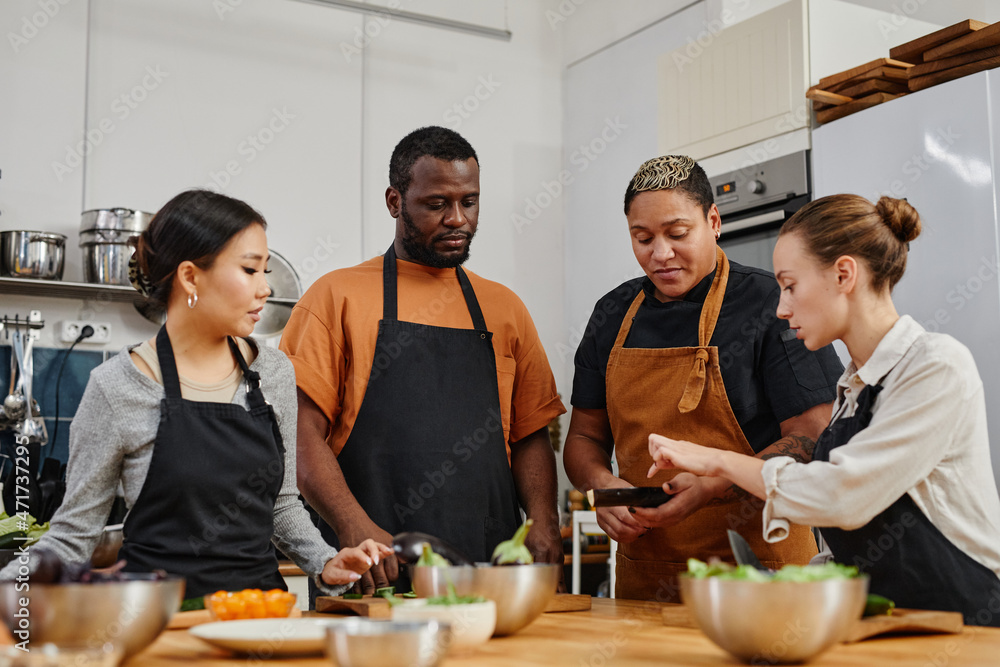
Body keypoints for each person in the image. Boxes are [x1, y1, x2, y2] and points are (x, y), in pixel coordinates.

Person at [1, 190, 390, 597]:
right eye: (249, 270)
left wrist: (326, 564)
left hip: (256, 619)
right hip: (155, 622)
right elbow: (71, 535)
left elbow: (282, 505)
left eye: (265, 272)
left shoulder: (272, 372)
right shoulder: (116, 386)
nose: (265, 290)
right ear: (190, 276)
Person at [648, 194, 1000, 624]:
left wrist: (718, 462)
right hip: (888, 630)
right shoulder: (851, 390)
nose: (781, 308)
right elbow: (848, 547)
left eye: (790, 286)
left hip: (968, 628)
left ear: (844, 275)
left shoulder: (935, 366)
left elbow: (842, 494)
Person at [280, 126, 566, 597]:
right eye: (437, 204)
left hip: (488, 564)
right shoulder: (335, 296)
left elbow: (530, 431)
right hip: (373, 565)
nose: (458, 219)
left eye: (469, 202)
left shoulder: (505, 308)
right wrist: (353, 525)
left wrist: (544, 520)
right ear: (395, 202)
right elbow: (299, 433)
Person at [563, 155, 845, 601]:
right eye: (642, 238)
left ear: (713, 221)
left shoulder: (769, 304)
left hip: (759, 574)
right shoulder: (611, 315)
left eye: (677, 234)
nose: (660, 254)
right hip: (647, 576)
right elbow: (582, 438)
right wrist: (602, 488)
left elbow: (813, 435)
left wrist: (712, 483)